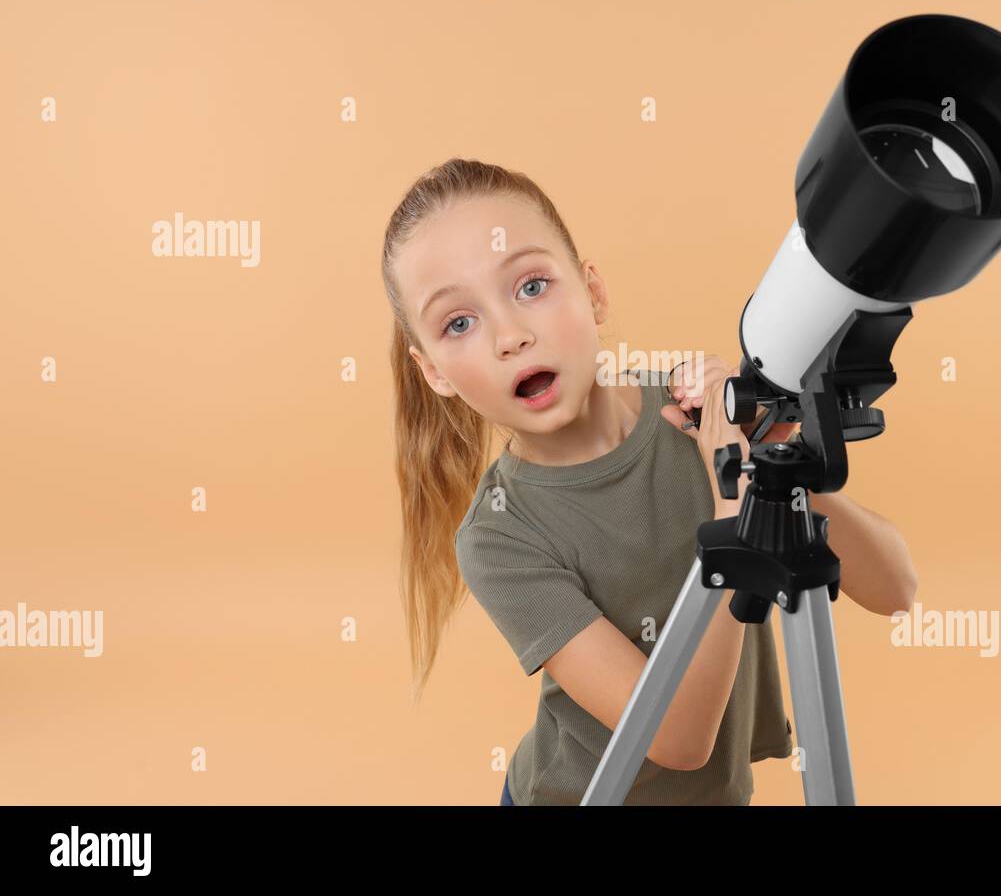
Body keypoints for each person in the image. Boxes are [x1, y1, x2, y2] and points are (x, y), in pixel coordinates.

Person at [380, 158, 919, 805]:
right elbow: (678, 738)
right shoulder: (499, 535)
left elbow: (895, 588)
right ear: (433, 371)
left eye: (530, 287)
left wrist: (770, 457)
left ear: (593, 293)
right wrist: (734, 499)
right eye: (458, 323)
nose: (511, 336)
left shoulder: (687, 411)